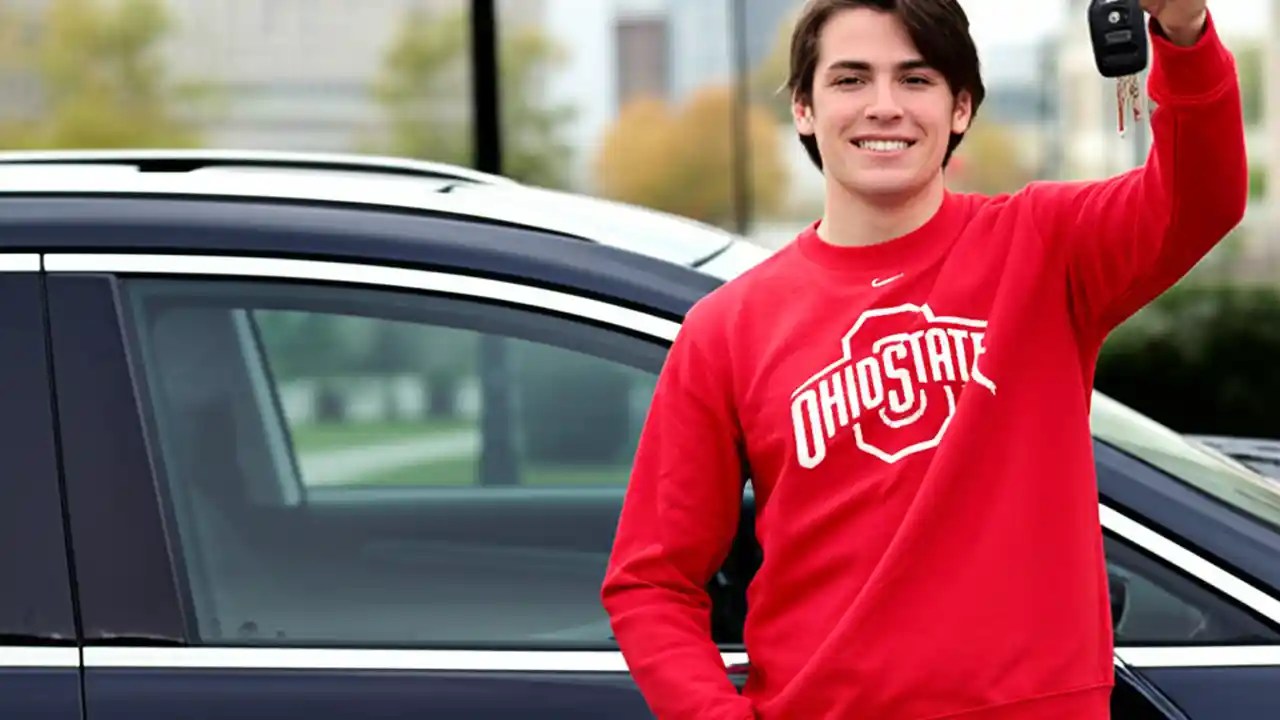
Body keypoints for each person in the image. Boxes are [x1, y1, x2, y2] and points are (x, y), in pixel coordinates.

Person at [601, 0, 1245, 718]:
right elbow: (650, 581)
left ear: (960, 107)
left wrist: (1183, 34)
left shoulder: (1044, 248)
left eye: (915, 79)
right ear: (805, 110)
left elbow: (1201, 199)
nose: (884, 107)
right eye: (850, 80)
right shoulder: (726, 329)